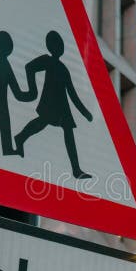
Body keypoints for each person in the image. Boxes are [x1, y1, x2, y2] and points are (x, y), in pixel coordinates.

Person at [14, 31, 93, 179]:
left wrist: (85, 113)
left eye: (61, 45)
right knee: (41, 123)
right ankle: (20, 138)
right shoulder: (47, 60)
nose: (60, 47)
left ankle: (76, 169)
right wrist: (33, 90)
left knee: (64, 131)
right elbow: (29, 67)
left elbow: (72, 94)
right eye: (57, 44)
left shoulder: (64, 69)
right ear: (50, 46)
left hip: (62, 106)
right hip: (50, 102)